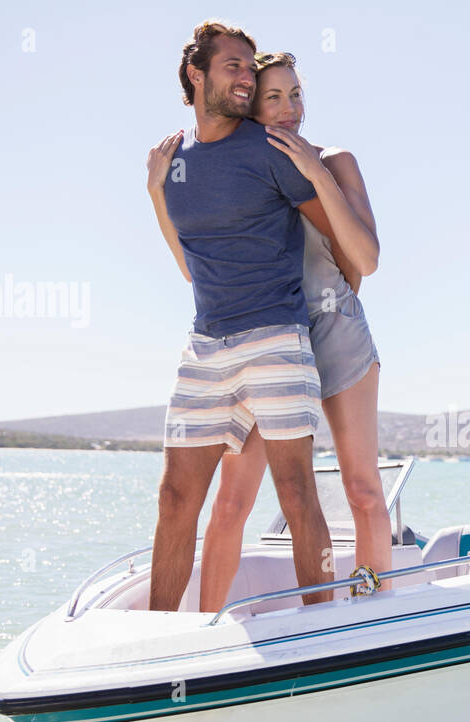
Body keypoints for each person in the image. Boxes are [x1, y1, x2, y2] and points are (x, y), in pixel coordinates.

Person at [147, 50, 389, 612]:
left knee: (361, 487)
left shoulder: (334, 159)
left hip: (331, 328)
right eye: (273, 96)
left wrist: (314, 170)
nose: (288, 109)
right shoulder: (245, 161)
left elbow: (361, 261)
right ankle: (207, 626)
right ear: (250, 105)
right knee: (231, 500)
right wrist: (160, 190)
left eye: (296, 94)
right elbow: (194, 263)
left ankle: (373, 610)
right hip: (270, 335)